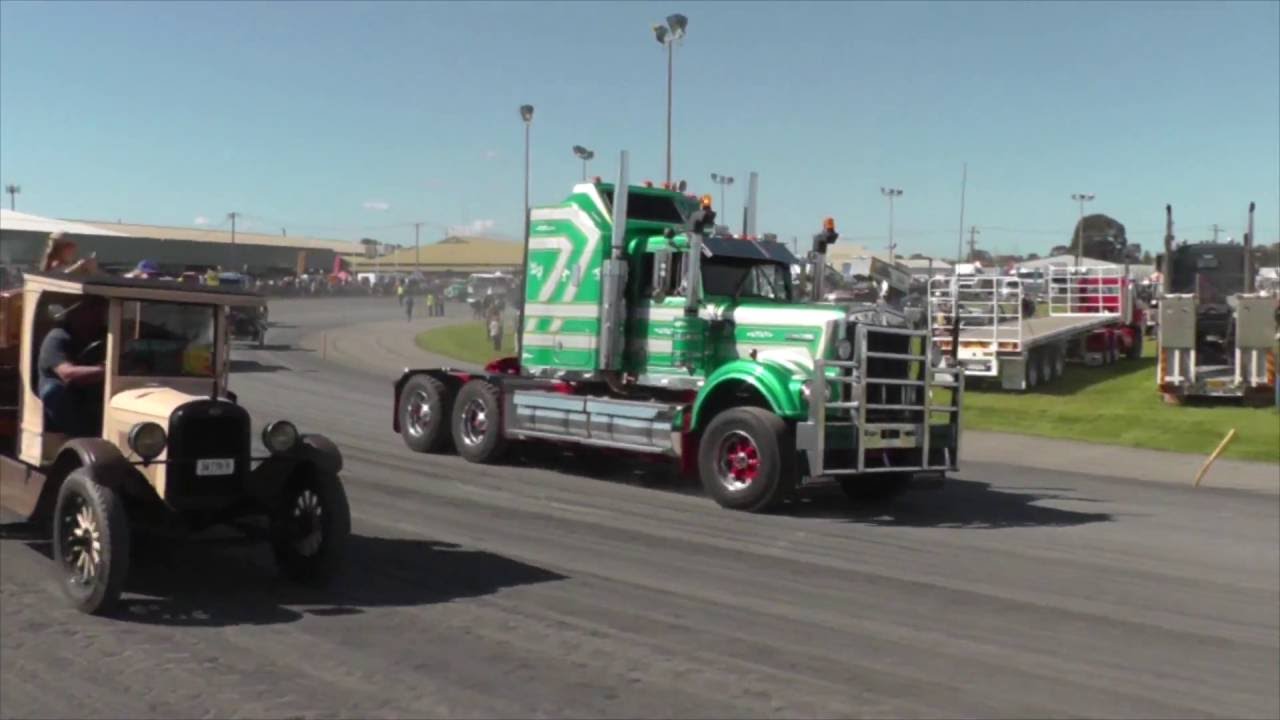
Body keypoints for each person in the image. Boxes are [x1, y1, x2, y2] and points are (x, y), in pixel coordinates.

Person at [37, 296, 107, 437]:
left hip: (95, 394)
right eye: (91, 308)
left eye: (100, 309)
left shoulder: (105, 335)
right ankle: (82, 436)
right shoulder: (57, 337)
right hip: (67, 398)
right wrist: (106, 370)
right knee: (53, 391)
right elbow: (67, 374)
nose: (98, 313)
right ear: (76, 313)